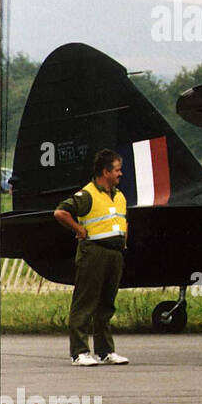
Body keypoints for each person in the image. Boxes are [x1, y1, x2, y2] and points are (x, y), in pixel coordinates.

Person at [52, 149, 131, 366]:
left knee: (106, 304)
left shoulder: (119, 196)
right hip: (94, 252)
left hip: (114, 254)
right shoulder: (87, 195)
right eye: (117, 169)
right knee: (85, 302)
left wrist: (123, 240)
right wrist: (79, 229)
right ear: (105, 172)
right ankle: (79, 352)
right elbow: (60, 212)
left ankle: (105, 351)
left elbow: (123, 220)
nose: (120, 173)